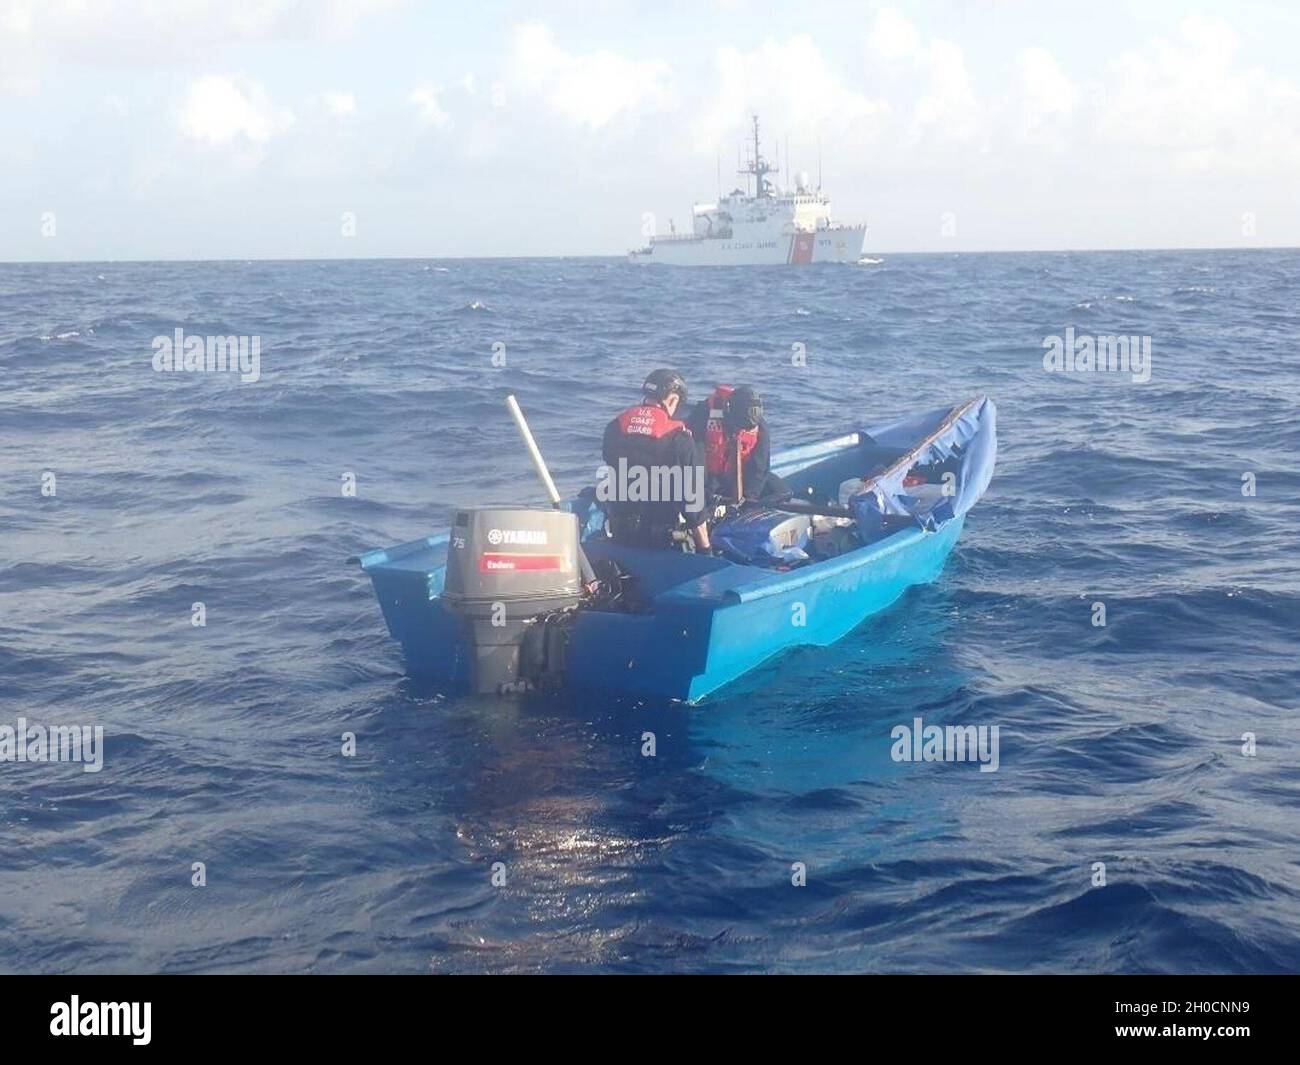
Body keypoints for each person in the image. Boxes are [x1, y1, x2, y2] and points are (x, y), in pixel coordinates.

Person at [601, 369, 711, 551]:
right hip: (659, 539)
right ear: (673, 399)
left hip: (620, 532)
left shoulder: (615, 426)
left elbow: (611, 463)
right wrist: (706, 549)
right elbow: (693, 505)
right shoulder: (679, 437)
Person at [688, 384, 788, 504]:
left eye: (747, 429)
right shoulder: (704, 414)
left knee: (782, 492)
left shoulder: (760, 429)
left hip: (740, 475)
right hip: (709, 476)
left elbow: (759, 469)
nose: (741, 431)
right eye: (739, 426)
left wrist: (748, 500)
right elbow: (694, 456)